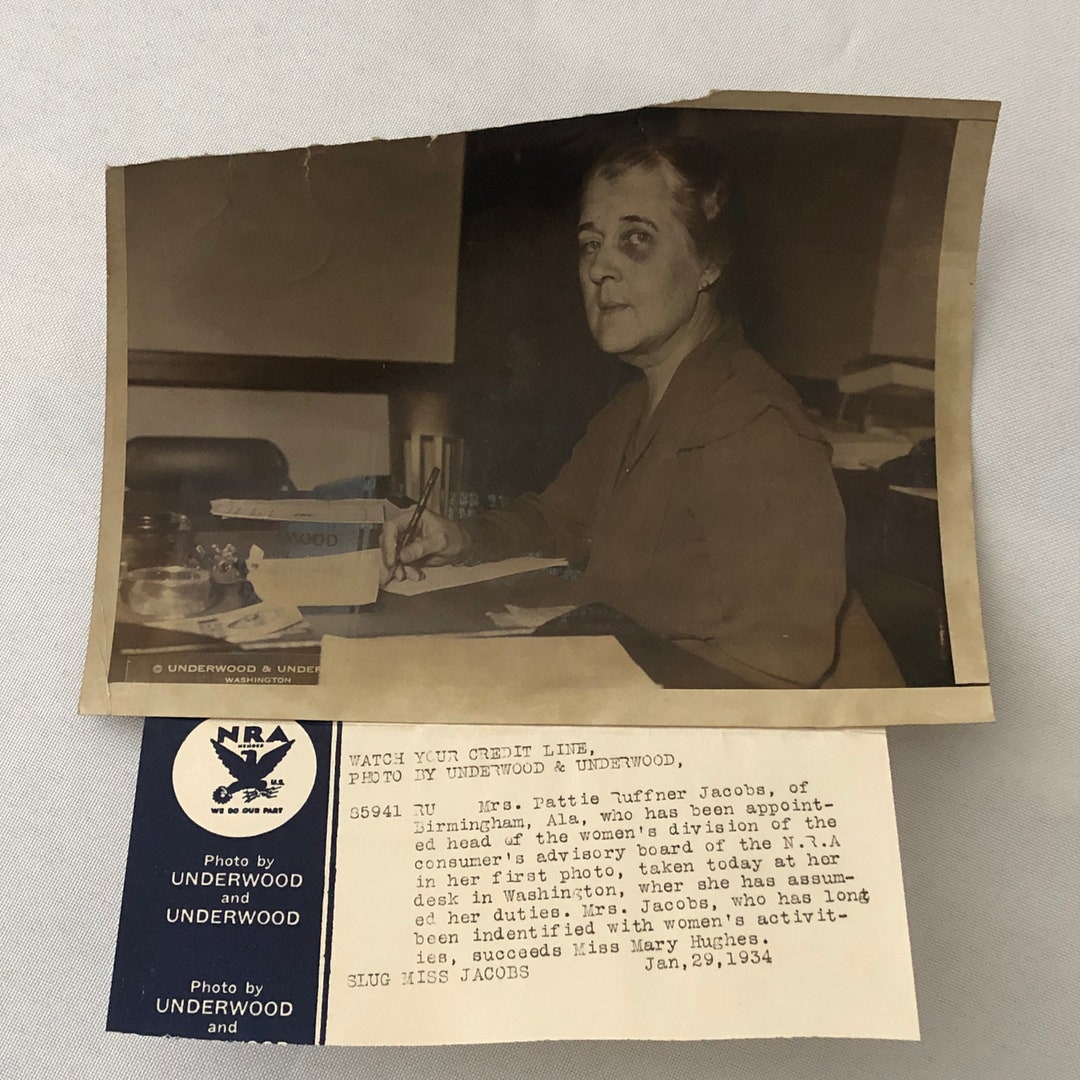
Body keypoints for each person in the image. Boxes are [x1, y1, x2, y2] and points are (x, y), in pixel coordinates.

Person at [382, 137, 903, 689]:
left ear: (709, 262)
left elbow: (778, 662)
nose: (598, 267)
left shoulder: (755, 423)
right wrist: (461, 538)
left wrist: (596, 634)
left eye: (635, 239)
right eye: (590, 243)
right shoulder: (632, 407)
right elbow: (560, 520)